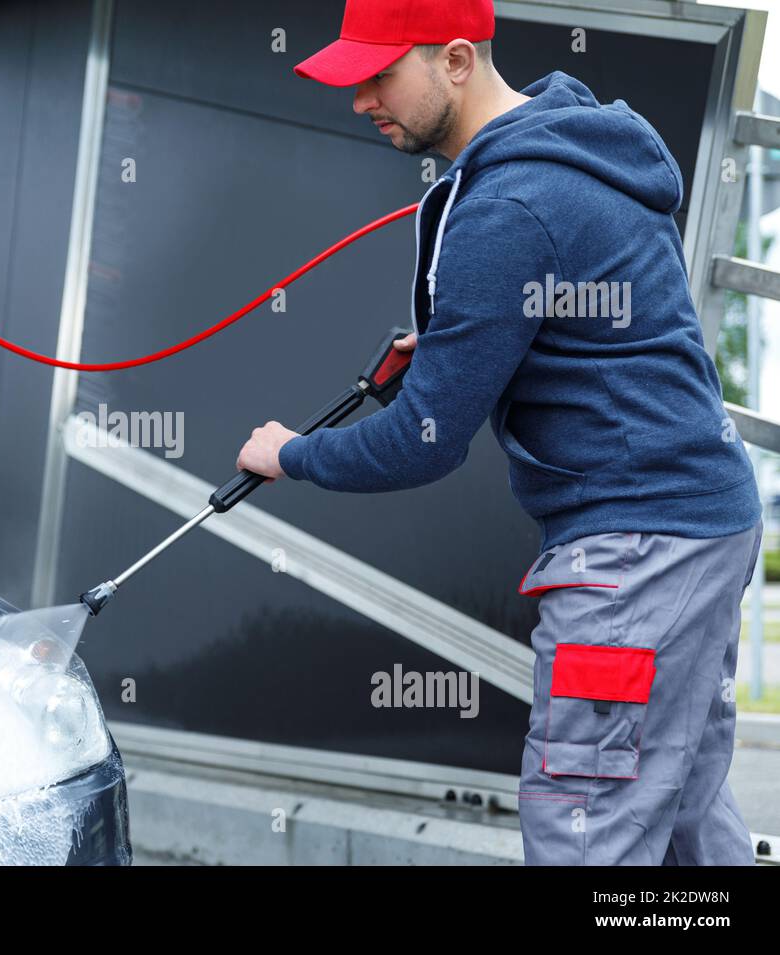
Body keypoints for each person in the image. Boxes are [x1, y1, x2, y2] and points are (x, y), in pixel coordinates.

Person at [236, 0, 764, 865]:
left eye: (378, 74)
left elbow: (423, 441)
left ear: (453, 61)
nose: (360, 98)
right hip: (705, 521)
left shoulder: (509, 204)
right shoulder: (577, 141)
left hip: (638, 551)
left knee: (585, 825)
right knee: (683, 815)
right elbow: (592, 321)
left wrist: (289, 453)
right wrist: (467, 340)